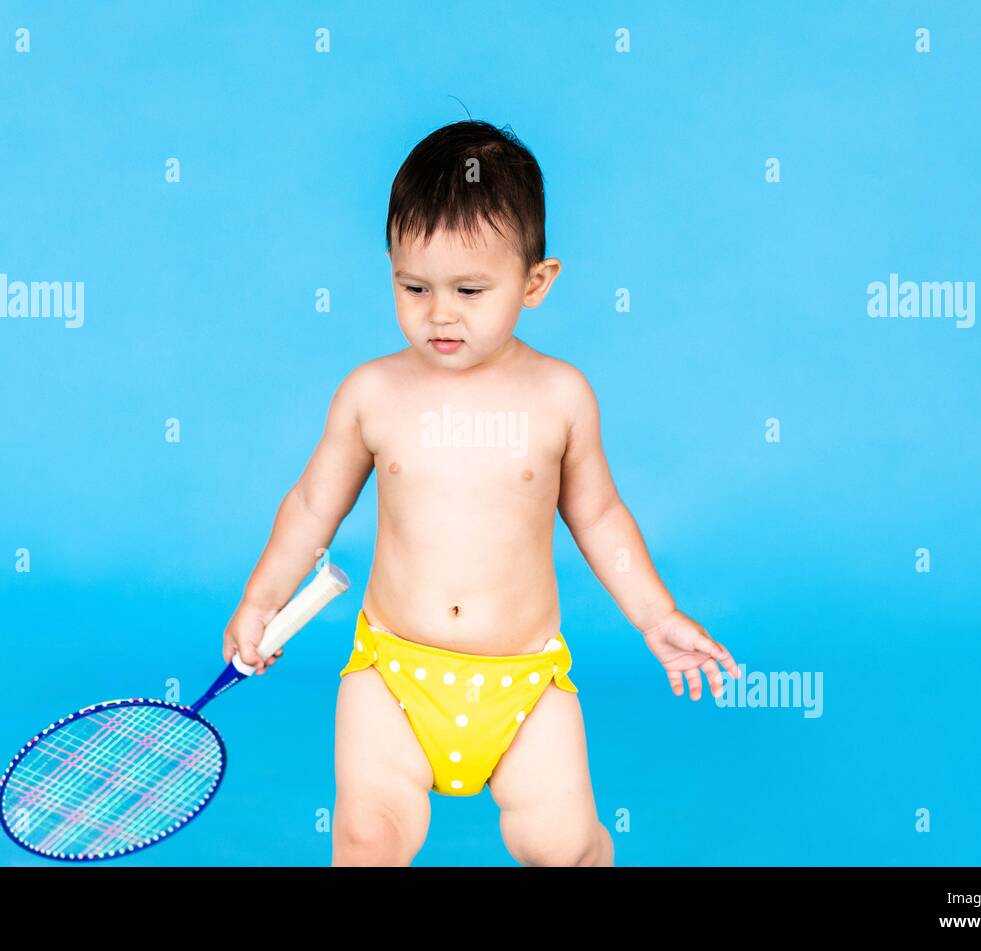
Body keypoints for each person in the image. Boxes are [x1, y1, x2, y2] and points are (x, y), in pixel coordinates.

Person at [222, 120, 740, 866]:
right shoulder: (372, 394)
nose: (440, 312)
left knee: (558, 845)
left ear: (535, 284)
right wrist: (262, 599)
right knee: (368, 837)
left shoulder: (561, 396)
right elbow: (310, 506)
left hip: (525, 680)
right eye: (414, 287)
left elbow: (596, 514)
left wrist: (655, 614)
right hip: (393, 672)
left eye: (469, 290)